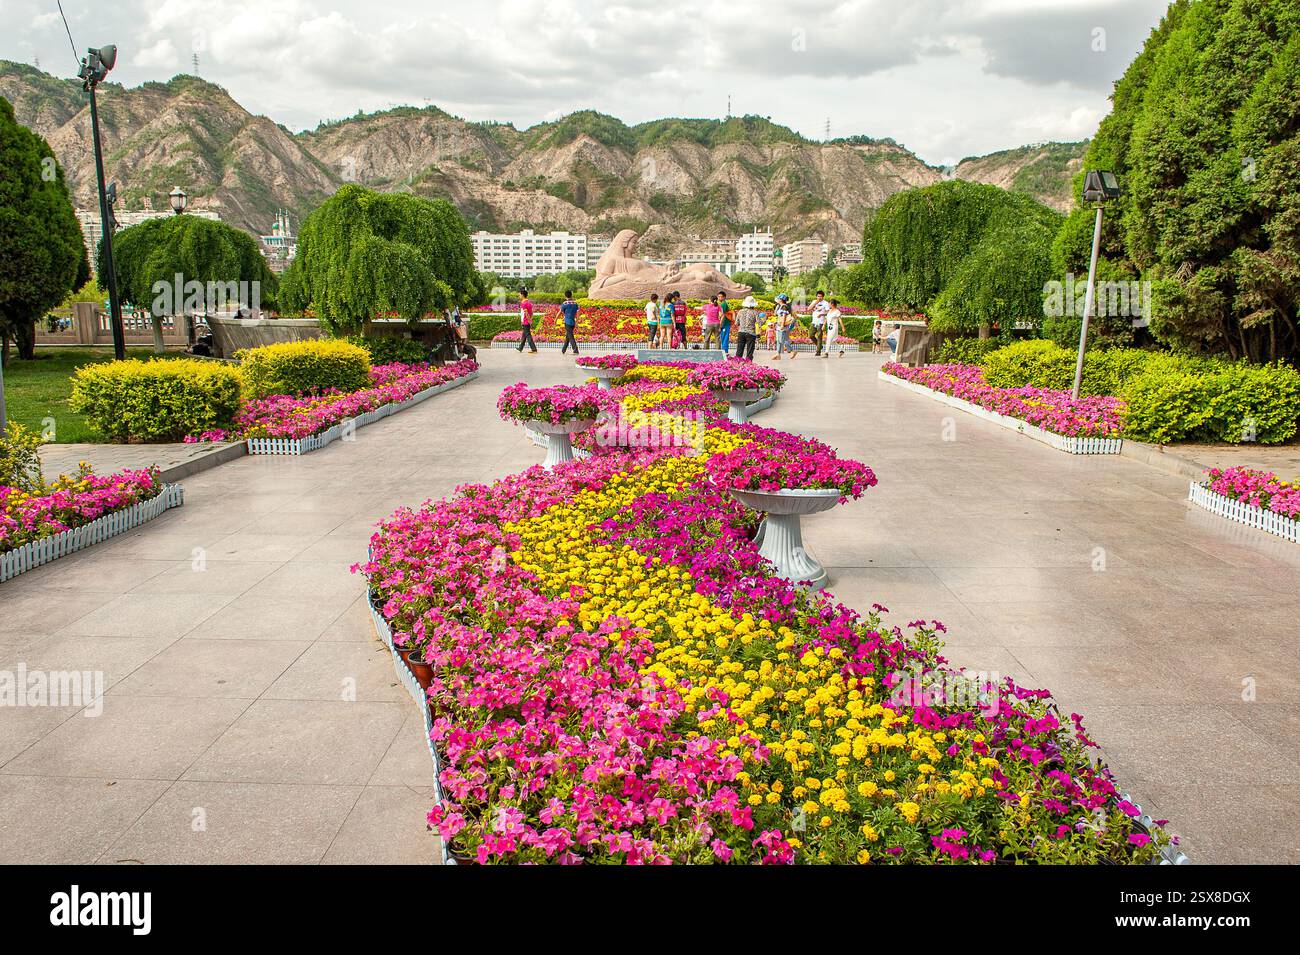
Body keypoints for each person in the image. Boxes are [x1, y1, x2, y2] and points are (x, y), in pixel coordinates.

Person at [734, 295, 760, 360]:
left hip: (741, 332)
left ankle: (737, 364)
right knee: (749, 351)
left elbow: (736, 323)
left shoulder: (740, 311)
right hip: (751, 333)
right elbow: (759, 323)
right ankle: (748, 365)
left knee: (739, 350)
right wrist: (764, 320)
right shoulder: (755, 312)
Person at [773, 293, 797, 360]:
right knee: (781, 340)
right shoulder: (782, 306)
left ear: (781, 299)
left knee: (781, 340)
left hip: (782, 326)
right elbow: (780, 317)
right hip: (779, 325)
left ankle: (779, 354)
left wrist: (782, 325)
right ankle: (789, 352)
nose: (777, 299)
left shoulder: (784, 307)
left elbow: (783, 316)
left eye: (778, 298)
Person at [516, 286, 537, 354]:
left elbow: (526, 313)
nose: (519, 295)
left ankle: (533, 349)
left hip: (525, 321)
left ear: (522, 295)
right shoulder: (529, 302)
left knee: (528, 335)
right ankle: (520, 348)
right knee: (524, 335)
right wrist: (531, 319)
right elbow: (531, 312)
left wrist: (528, 320)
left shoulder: (523, 303)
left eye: (519, 294)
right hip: (527, 321)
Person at [559, 290, 581, 355]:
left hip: (567, 322)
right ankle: (563, 350)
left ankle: (575, 349)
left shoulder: (564, 304)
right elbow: (578, 314)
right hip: (573, 322)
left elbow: (560, 312)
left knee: (570, 336)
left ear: (565, 296)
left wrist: (555, 319)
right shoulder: (575, 303)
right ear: (571, 295)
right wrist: (576, 322)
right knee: (568, 336)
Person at [810, 290, 830, 357]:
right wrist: (816, 302)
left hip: (821, 322)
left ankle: (818, 351)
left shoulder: (826, 303)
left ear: (823, 297)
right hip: (814, 322)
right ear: (816, 296)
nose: (819, 297)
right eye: (818, 296)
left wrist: (822, 314)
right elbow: (809, 308)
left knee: (819, 337)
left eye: (821, 296)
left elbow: (828, 312)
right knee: (811, 335)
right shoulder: (814, 301)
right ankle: (819, 346)